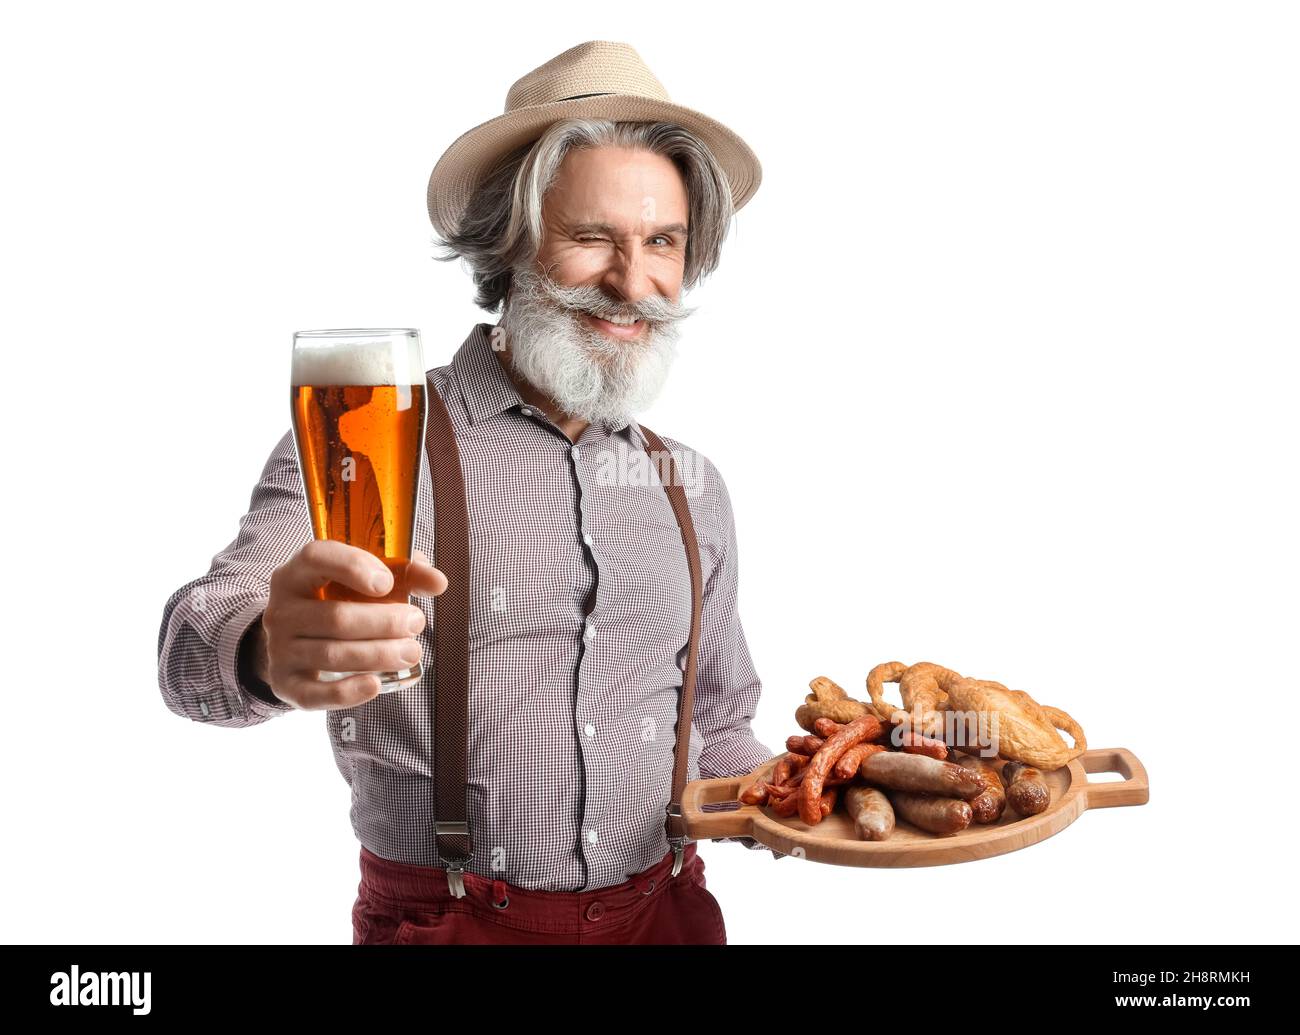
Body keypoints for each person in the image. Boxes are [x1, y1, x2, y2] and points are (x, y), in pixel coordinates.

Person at [157, 39, 783, 946]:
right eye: (592, 236)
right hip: (450, 923)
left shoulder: (691, 484)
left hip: (668, 915)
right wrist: (263, 650)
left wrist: (815, 793)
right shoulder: (374, 445)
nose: (630, 279)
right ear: (512, 240)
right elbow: (189, 649)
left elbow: (722, 723)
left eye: (661, 241)